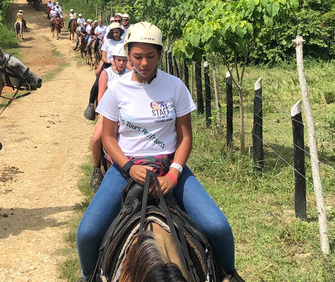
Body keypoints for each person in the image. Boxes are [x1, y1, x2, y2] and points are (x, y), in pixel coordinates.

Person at [76, 22, 240, 281]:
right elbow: (108, 137)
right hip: (126, 168)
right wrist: (129, 167)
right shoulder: (117, 90)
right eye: (137, 57)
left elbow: (185, 137)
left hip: (170, 167)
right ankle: (88, 277)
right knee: (87, 232)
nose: (144, 63)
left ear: (160, 55)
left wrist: (174, 175)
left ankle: (230, 275)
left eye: (150, 57)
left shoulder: (175, 86)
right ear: (128, 55)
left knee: (218, 226)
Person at [89, 45, 131, 191]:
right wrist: (107, 114)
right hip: (108, 113)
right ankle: (96, 170)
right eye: (119, 60)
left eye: (124, 60)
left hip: (125, 114)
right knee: (96, 138)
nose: (121, 63)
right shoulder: (106, 74)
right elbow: (100, 97)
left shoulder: (130, 74)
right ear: (113, 60)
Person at [83, 22, 124, 120]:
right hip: (108, 65)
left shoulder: (124, 42)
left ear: (120, 32)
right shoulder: (107, 42)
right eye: (113, 32)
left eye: (117, 32)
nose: (115, 34)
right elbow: (104, 57)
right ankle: (91, 104)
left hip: (122, 65)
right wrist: (111, 61)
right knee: (97, 84)